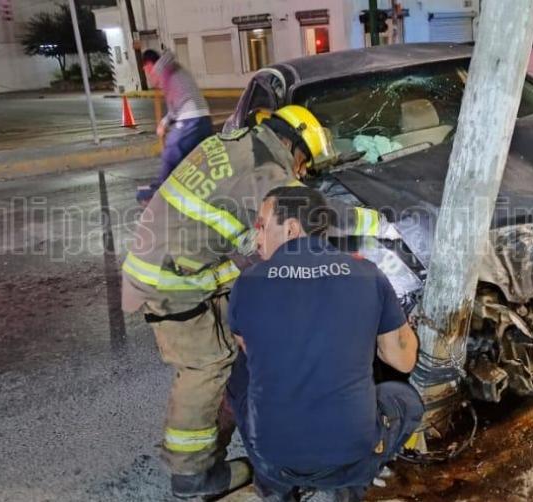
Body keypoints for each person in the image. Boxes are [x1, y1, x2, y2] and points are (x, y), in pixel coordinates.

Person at [121, 106, 398, 499]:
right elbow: (321, 214)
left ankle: (235, 432)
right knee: (207, 365)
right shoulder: (265, 172)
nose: (302, 172)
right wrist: (381, 223)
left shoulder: (238, 144)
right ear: (293, 144)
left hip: (180, 260)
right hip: (170, 280)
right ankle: (191, 475)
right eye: (304, 162)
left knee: (241, 344)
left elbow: (244, 229)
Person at [225, 186, 424, 502]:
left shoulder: (246, 284)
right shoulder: (367, 273)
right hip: (351, 454)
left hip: (277, 458)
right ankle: (353, 482)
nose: (257, 237)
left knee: (240, 378)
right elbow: (403, 360)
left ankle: (274, 487)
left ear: (291, 229)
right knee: (405, 398)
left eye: (261, 226)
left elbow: (253, 351)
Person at [139, 49, 213, 203]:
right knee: (194, 158)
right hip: (204, 118)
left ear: (149, 65)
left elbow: (174, 107)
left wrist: (164, 123)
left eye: (146, 70)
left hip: (191, 119)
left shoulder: (164, 71)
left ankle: (159, 195)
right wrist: (166, 121)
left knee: (171, 153)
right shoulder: (176, 68)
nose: (148, 76)